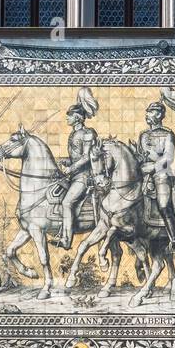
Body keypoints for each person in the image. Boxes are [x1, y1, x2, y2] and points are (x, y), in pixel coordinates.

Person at [56, 87, 99, 250]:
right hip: (74, 175)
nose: (67, 118)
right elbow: (75, 157)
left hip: (85, 177)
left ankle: (67, 240)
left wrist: (71, 168)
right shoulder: (73, 134)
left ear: (79, 118)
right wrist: (64, 162)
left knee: (67, 203)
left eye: (70, 115)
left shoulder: (88, 133)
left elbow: (87, 157)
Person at [138, 99, 175, 250]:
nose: (147, 115)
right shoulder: (143, 134)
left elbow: (168, 158)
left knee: (163, 205)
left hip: (161, 173)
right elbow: (140, 155)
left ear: (160, 114)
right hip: (143, 174)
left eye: (151, 112)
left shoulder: (168, 134)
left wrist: (153, 167)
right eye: (147, 112)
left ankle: (173, 239)